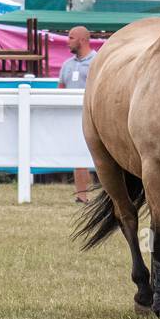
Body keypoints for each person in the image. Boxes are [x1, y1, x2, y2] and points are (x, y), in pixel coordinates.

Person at [58, 26, 97, 203]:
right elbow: (60, 91)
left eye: (71, 38)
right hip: (72, 120)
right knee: (77, 155)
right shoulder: (67, 65)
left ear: (82, 40)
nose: (68, 41)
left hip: (95, 118)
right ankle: (81, 196)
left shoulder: (97, 62)